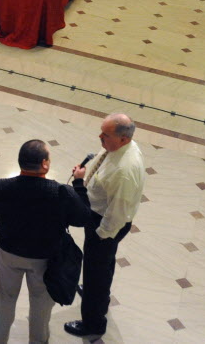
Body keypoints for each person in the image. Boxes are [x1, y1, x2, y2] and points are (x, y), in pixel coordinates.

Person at [0, 140, 91, 344]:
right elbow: (83, 218)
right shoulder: (61, 192)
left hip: (8, 254)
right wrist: (79, 184)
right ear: (44, 164)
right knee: (41, 302)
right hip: (45, 259)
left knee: (5, 297)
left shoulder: (0, 187)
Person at [64, 114, 147, 339]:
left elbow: (118, 212)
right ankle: (100, 296)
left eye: (105, 134)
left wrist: (101, 235)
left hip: (105, 225)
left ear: (123, 139)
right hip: (100, 217)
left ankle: (93, 324)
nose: (100, 137)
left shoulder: (124, 171)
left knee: (95, 273)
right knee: (103, 265)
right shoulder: (118, 148)